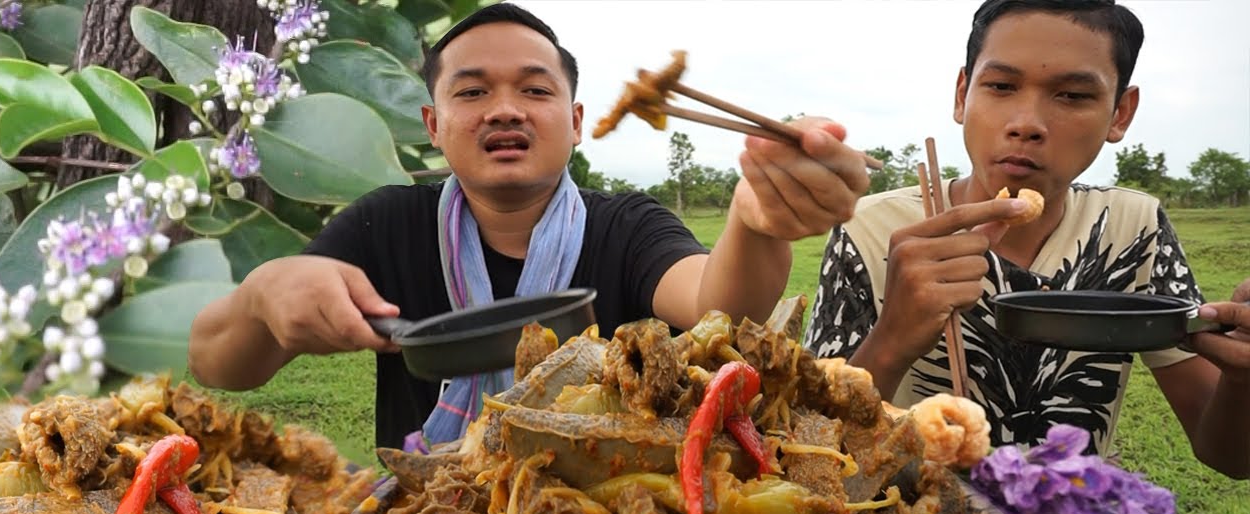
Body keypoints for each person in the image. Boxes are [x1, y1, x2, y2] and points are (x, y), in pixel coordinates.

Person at [188, 2, 872, 451]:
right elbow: (216, 360)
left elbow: (715, 304)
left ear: (575, 122)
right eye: (473, 91)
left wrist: (756, 223)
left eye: (537, 90)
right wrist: (263, 297)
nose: (506, 110)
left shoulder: (626, 225)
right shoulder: (384, 224)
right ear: (433, 124)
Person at [804, 0, 1250, 478]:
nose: (1027, 123)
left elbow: (1229, 456)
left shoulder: (1133, 226)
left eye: (1073, 95)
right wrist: (893, 339)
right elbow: (810, 449)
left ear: (1120, 112)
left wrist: (1242, 377)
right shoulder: (872, 229)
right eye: (1000, 86)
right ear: (962, 94)